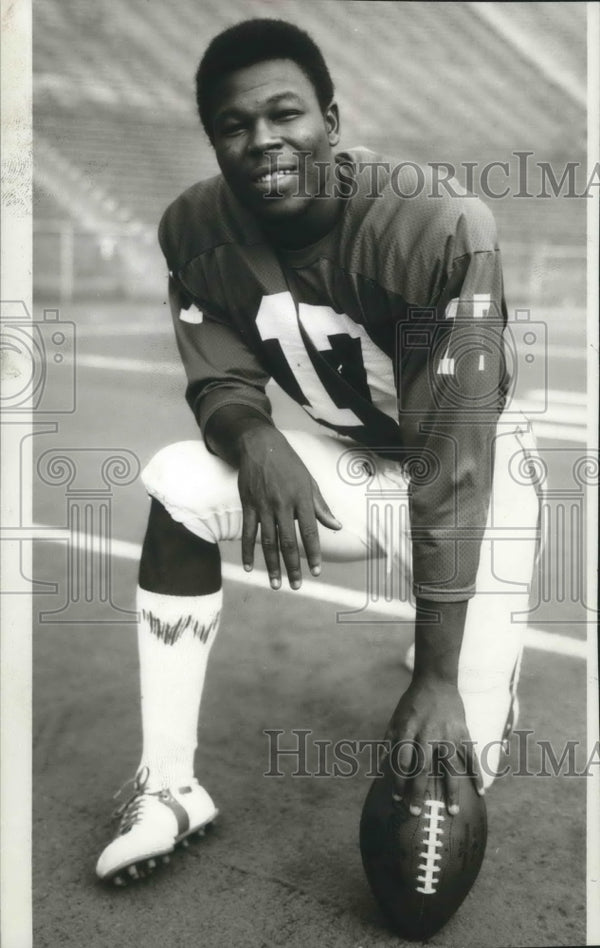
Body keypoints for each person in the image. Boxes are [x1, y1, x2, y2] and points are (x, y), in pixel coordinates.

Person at [96, 17, 540, 885]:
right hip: (354, 459)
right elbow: (217, 368)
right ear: (214, 140)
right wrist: (254, 436)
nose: (264, 140)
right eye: (235, 124)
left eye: (286, 114)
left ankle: (480, 670)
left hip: (477, 478)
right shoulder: (193, 229)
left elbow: (454, 466)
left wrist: (440, 678)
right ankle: (169, 786)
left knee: (444, 799)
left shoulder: (436, 227)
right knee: (178, 482)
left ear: (330, 121)